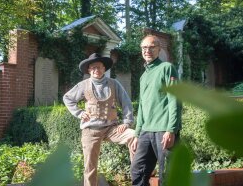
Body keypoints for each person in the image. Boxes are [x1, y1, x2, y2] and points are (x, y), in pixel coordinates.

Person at [63, 53, 135, 186]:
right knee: (90, 167)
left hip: (111, 128)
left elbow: (126, 103)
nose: (97, 70)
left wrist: (126, 122)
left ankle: (138, 176)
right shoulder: (83, 85)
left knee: (134, 136)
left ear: (104, 69)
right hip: (91, 130)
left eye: (99, 67)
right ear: (89, 70)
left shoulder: (114, 84)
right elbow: (67, 98)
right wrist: (79, 113)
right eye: (93, 68)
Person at [131, 35, 182, 186]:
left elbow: (175, 100)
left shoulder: (167, 68)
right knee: (137, 171)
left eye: (152, 47)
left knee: (167, 174)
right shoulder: (143, 76)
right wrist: (137, 133)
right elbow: (142, 106)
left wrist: (171, 130)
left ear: (159, 49)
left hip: (163, 130)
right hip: (146, 131)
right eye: (144, 47)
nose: (147, 50)